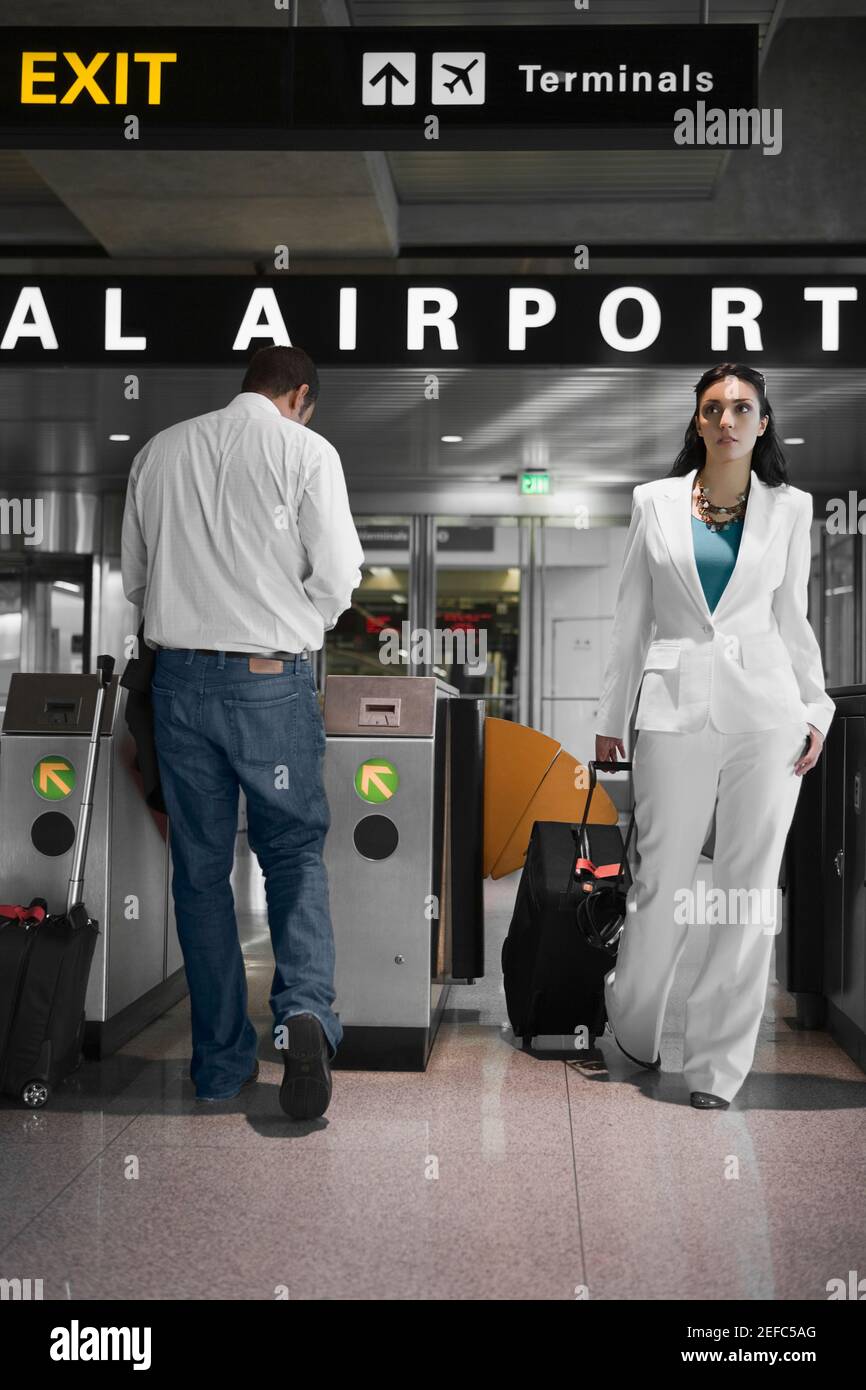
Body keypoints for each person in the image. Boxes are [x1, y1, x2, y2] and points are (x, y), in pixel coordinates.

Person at [121, 345, 363, 1118]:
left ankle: (220, 1065)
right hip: (268, 684)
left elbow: (136, 579)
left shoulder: (160, 452)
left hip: (181, 686)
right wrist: (295, 627)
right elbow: (339, 573)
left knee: (198, 872)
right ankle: (302, 1021)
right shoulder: (305, 450)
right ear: (300, 396)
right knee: (291, 853)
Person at [594, 363, 835, 1110]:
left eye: (742, 407)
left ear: (763, 422)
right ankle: (633, 1031)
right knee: (660, 882)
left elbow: (791, 619)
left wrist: (815, 708)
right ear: (697, 422)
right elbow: (631, 619)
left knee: (746, 893)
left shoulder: (791, 509)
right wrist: (610, 723)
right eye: (712, 407)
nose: (727, 418)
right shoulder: (655, 503)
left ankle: (716, 1069)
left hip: (767, 717)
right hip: (671, 713)